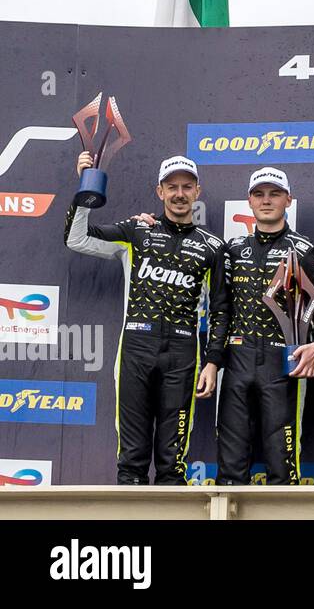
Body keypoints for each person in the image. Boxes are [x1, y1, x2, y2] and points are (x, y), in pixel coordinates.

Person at [64, 153, 226, 485]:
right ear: (159, 191)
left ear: (197, 191)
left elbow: (222, 310)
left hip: (183, 355)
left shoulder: (212, 247)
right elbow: (76, 239)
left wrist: (212, 362)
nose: (179, 194)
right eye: (171, 187)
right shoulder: (137, 230)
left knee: (172, 462)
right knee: (132, 458)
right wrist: (84, 192)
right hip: (136, 349)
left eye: (186, 186)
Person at [208, 167, 314, 485]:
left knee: (283, 463)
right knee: (230, 464)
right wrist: (212, 361)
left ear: (288, 200)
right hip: (237, 362)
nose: (266, 200)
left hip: (284, 364)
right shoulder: (232, 250)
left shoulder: (305, 250)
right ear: (249, 201)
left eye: (274, 193)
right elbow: (220, 313)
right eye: (259, 194)